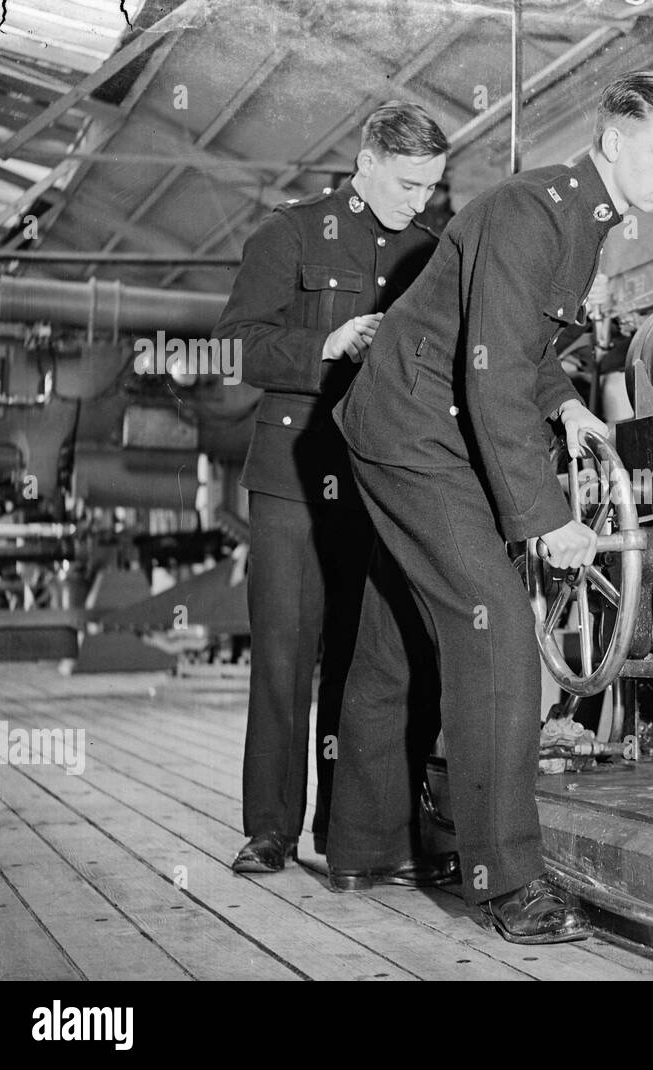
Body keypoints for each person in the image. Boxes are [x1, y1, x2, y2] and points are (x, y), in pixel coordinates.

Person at [328, 71, 653, 942]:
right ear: (613, 143)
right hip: (415, 430)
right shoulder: (537, 210)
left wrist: (568, 400)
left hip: (412, 419)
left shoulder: (578, 218)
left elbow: (517, 344)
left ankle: (364, 844)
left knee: (393, 638)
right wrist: (547, 519)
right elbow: (490, 375)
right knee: (492, 621)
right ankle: (507, 881)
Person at [213, 101, 459, 889]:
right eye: (408, 181)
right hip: (291, 476)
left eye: (431, 185)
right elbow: (235, 344)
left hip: (381, 480)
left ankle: (350, 830)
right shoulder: (291, 231)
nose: (419, 200)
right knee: (284, 655)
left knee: (368, 664)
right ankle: (271, 830)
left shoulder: (429, 252)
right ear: (367, 161)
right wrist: (327, 344)